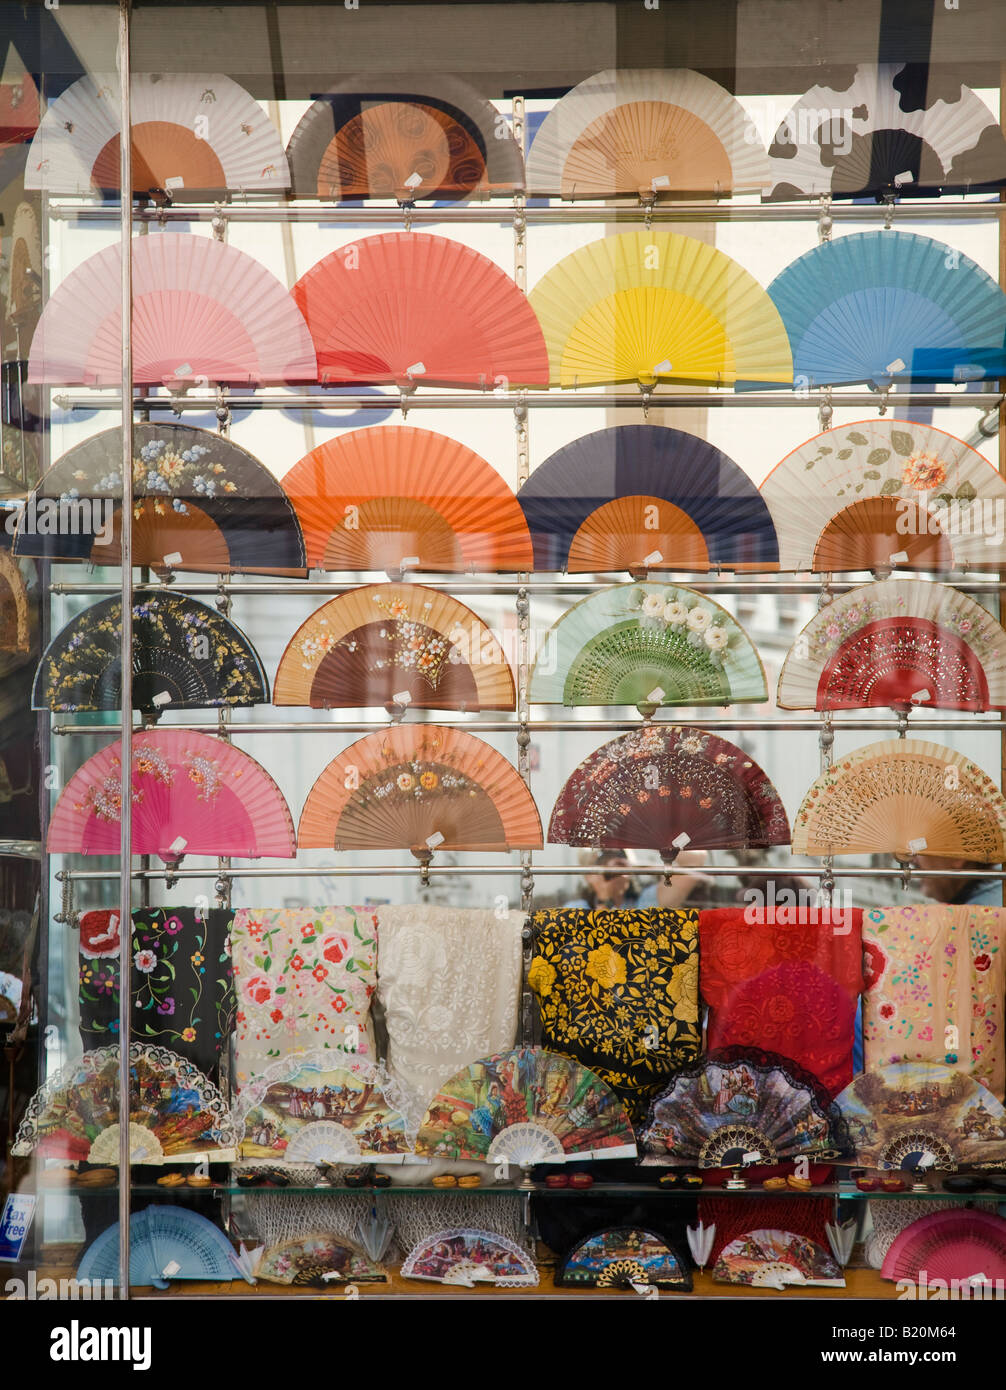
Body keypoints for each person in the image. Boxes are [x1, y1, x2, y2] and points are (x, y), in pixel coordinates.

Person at [563, 848, 708, 911]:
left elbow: (696, 859)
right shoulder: (576, 908)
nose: (614, 861)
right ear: (588, 875)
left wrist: (645, 841)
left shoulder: (646, 901)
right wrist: (604, 898)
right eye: (604, 857)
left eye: (620, 854)